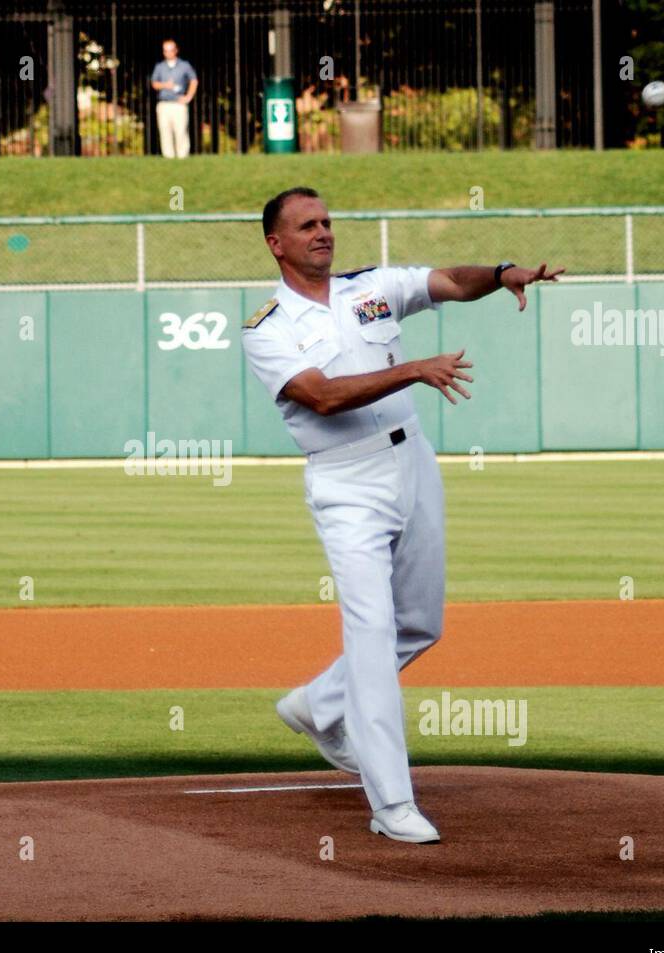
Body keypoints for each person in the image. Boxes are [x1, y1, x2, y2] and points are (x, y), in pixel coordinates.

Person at [241, 187, 562, 844]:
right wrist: (415, 368)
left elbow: (445, 281)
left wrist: (502, 276)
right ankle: (392, 805)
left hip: (411, 460)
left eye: (328, 221)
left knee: (418, 624)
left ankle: (317, 705)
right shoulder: (267, 328)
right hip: (346, 482)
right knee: (370, 634)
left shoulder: (372, 287)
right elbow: (324, 397)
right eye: (307, 226)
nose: (323, 232)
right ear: (276, 243)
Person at [150, 39, 198, 158]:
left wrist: (188, 96)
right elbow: (154, 83)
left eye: (171, 50)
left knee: (180, 131)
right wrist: (165, 85)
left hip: (178, 104)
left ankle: (182, 157)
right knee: (165, 132)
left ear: (176, 50)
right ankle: (168, 158)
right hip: (164, 104)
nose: (168, 53)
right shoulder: (159, 67)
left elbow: (194, 80)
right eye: (166, 50)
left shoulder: (184, 65)